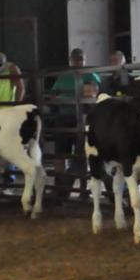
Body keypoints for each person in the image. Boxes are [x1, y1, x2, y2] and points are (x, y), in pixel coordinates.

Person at [48, 48, 102, 198]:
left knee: (82, 153)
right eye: (76, 60)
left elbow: (93, 92)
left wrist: (66, 97)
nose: (78, 62)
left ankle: (82, 189)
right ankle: (60, 186)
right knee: (61, 154)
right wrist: (65, 98)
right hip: (65, 116)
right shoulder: (64, 75)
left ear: (84, 60)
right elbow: (53, 95)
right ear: (71, 60)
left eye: (81, 60)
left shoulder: (91, 75)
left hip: (83, 117)